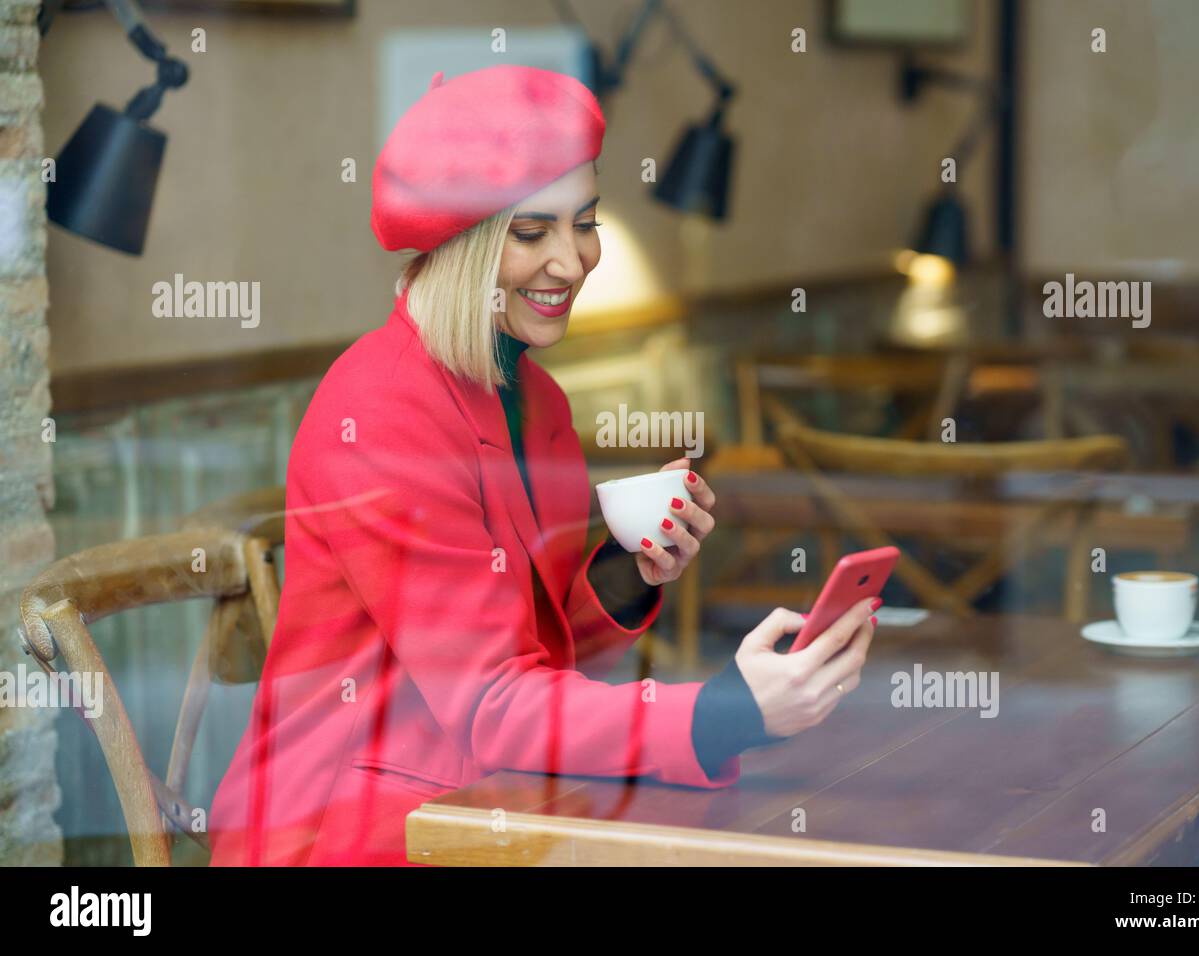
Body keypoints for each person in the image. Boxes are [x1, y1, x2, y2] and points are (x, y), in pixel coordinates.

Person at [208, 65, 877, 866]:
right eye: (532, 233)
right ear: (463, 244)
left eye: (584, 222)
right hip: (355, 834)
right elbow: (493, 703)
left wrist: (630, 569)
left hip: (498, 806)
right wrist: (724, 716)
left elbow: (534, 652)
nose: (574, 260)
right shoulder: (381, 414)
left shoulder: (535, 398)